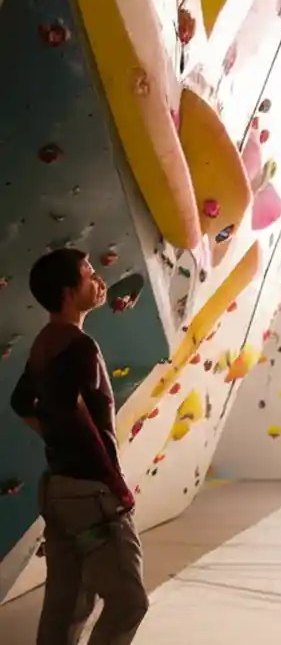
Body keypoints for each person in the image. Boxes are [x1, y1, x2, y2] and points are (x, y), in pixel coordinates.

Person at [9, 248, 149, 644]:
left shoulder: (45, 342)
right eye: (89, 274)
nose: (99, 280)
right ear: (70, 293)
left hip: (59, 489)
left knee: (67, 603)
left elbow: (22, 403)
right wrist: (115, 485)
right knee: (128, 602)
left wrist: (55, 439)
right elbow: (76, 420)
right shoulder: (78, 347)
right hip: (91, 493)